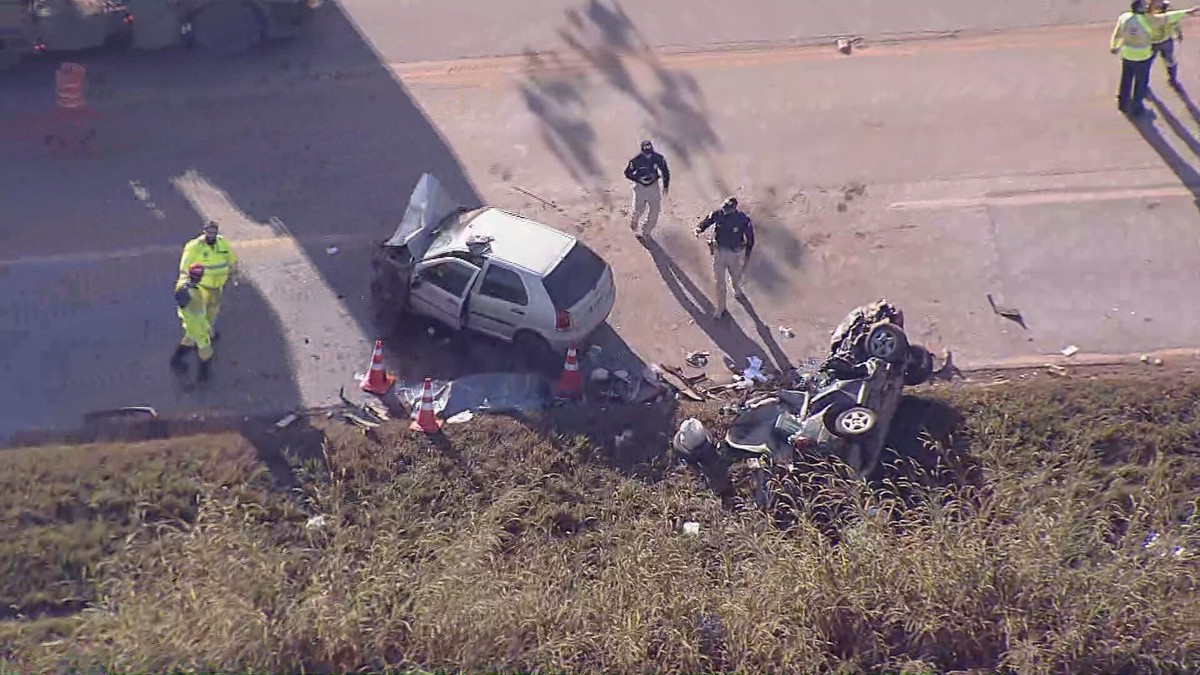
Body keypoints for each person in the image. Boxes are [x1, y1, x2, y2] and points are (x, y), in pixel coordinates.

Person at [694, 196, 755, 319]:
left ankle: (737, 290)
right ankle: (721, 308)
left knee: (735, 276)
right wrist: (699, 228)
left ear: (734, 209)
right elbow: (708, 220)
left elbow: (750, 238)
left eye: (727, 209)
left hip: (735, 253)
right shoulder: (718, 214)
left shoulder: (743, 220)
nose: (725, 210)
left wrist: (747, 254)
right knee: (719, 282)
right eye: (724, 208)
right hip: (719, 252)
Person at [178, 220, 238, 338]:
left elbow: (231, 260)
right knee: (198, 313)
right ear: (204, 231)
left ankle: (207, 332)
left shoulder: (222, 243)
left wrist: (234, 275)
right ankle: (196, 334)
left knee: (212, 311)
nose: (211, 235)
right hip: (201, 286)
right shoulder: (194, 246)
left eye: (214, 232)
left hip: (217, 287)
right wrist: (186, 284)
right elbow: (184, 267)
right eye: (209, 232)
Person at [170, 263, 215, 382]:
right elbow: (199, 313)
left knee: (189, 338)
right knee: (205, 350)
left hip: (188, 320)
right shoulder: (196, 294)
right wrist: (206, 327)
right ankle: (203, 375)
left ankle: (176, 360)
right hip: (198, 324)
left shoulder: (182, 285)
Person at [1112, 0, 1157, 115]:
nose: (1146, 7)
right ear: (1139, 8)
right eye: (1144, 5)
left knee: (1126, 80)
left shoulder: (1124, 17)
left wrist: (1114, 46)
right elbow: (1166, 18)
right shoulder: (1146, 20)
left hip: (1127, 55)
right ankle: (1137, 108)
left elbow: (1117, 33)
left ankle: (1123, 103)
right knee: (1140, 83)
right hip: (1142, 56)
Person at [623, 139, 671, 240]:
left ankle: (646, 231)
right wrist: (638, 179)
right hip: (640, 188)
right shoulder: (635, 160)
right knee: (638, 210)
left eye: (649, 153)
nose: (648, 155)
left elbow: (665, 171)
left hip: (653, 187)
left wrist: (665, 185)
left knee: (655, 211)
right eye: (646, 153)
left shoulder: (659, 158)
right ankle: (634, 223)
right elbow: (627, 173)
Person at [1149, 1, 1200, 89]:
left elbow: (1175, 23)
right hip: (1152, 43)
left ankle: (1172, 78)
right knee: (1147, 62)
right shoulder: (1149, 14)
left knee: (1170, 60)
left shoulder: (1169, 13)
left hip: (1166, 41)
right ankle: (1143, 81)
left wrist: (1178, 33)